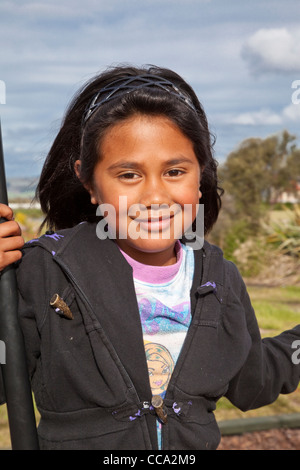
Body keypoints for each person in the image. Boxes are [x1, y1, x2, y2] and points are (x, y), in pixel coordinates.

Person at [0, 65, 299, 450]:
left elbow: (252, 378)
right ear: (89, 180)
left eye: (174, 171)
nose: (155, 196)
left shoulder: (219, 279)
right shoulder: (45, 271)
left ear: (200, 173)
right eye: (128, 175)